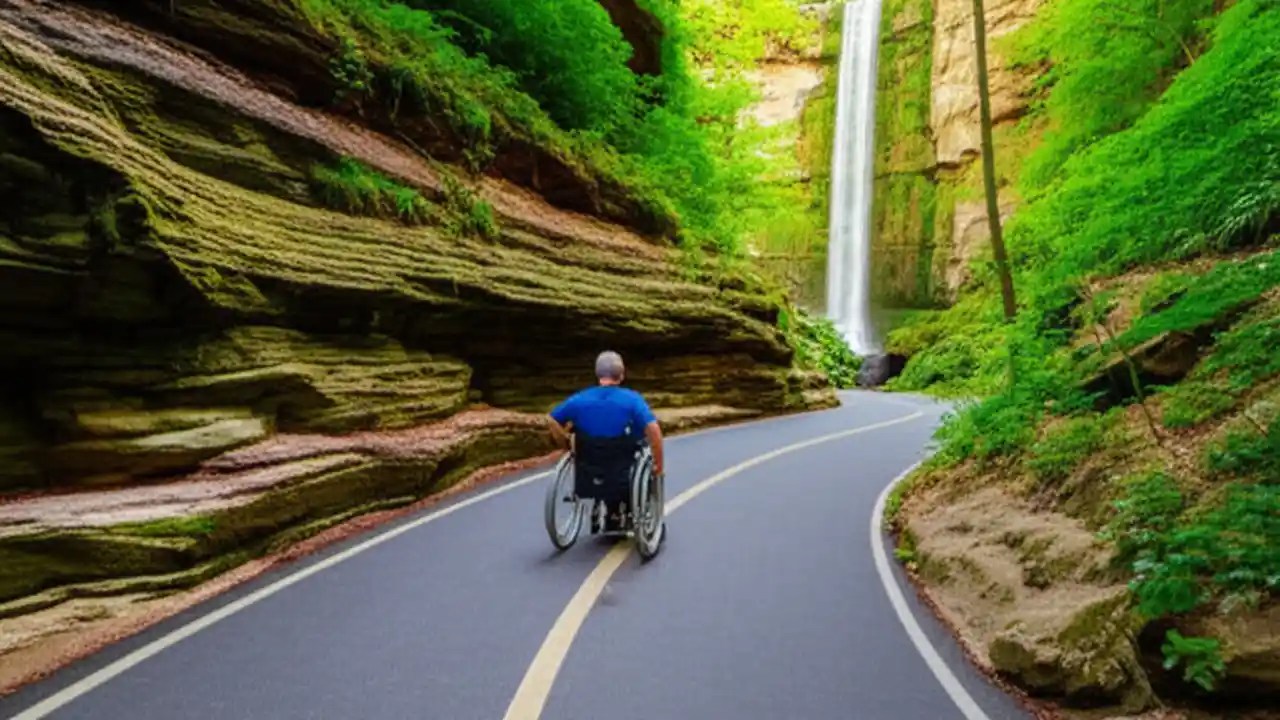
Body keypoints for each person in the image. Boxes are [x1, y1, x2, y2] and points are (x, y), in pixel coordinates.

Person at [547, 351, 664, 532]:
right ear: (622, 375)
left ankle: (609, 509)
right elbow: (654, 430)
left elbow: (551, 420)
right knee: (638, 449)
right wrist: (659, 464)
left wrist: (566, 443)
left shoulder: (579, 399)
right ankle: (625, 510)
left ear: (597, 375)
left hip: (589, 462)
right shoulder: (632, 399)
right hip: (623, 463)